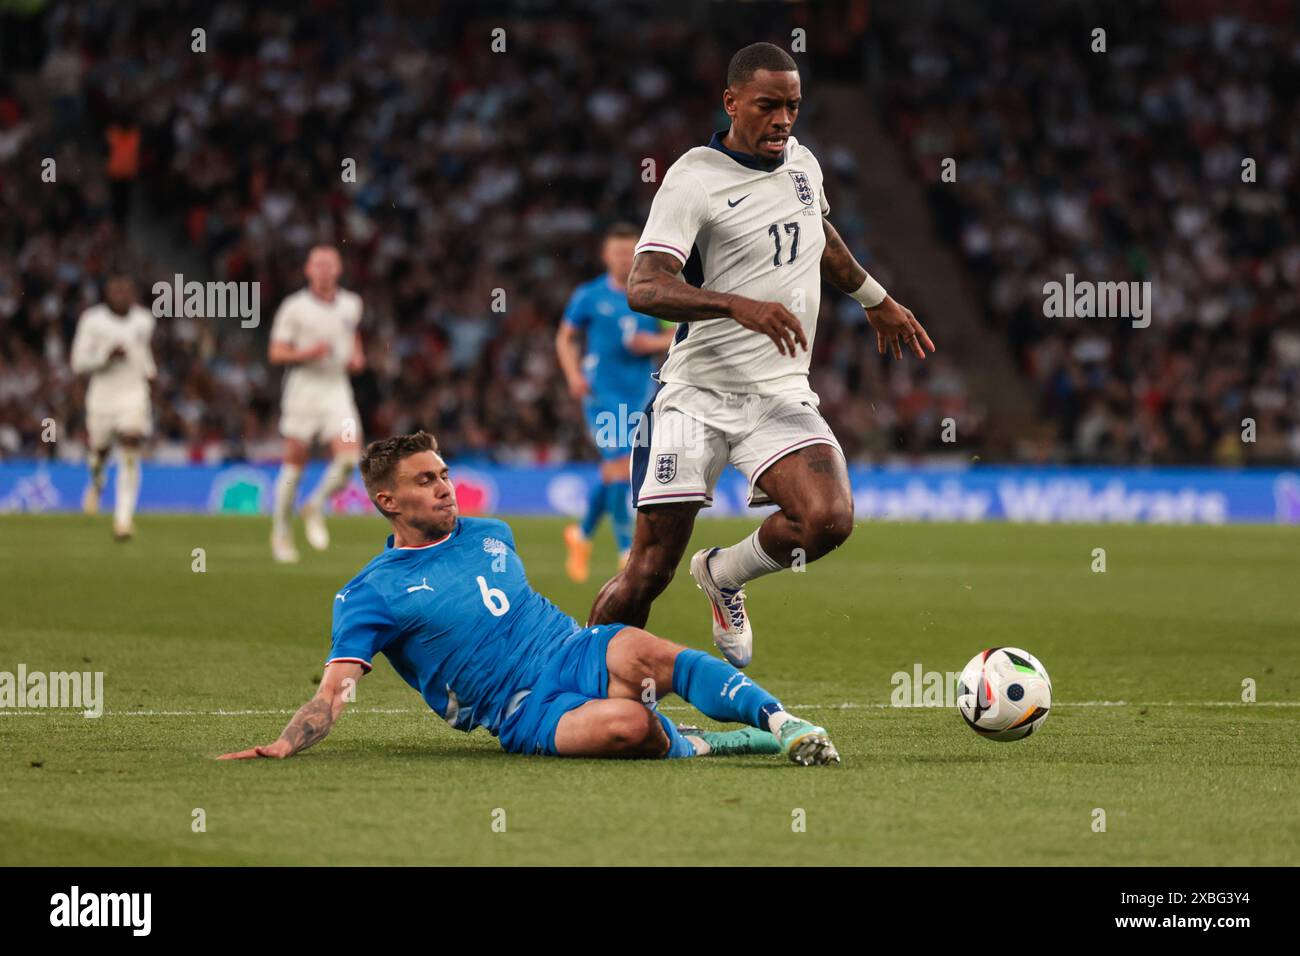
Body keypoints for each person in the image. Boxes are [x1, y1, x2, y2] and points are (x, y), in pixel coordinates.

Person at [587, 42, 935, 668]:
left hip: (778, 392)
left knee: (827, 519)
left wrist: (875, 297)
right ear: (731, 103)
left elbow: (820, 235)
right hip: (695, 396)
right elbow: (644, 284)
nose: (783, 121)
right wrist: (735, 305)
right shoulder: (693, 177)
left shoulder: (803, 164)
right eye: (768, 106)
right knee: (648, 571)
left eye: (793, 107)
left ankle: (724, 576)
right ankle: (577, 686)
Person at [218, 431, 840, 766]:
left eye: (443, 475)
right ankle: (705, 743)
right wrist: (286, 742)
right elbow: (336, 691)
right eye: (425, 481)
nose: (445, 489)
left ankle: (781, 722)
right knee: (630, 727)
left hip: (573, 649)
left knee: (650, 654)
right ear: (387, 501)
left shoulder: (492, 532)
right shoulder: (370, 593)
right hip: (521, 711)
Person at [555, 222, 674, 581]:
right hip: (601, 393)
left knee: (615, 471)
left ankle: (582, 533)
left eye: (629, 252)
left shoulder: (653, 294)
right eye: (617, 252)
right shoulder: (588, 296)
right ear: (606, 255)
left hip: (640, 393)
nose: (624, 259)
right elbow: (565, 337)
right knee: (621, 466)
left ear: (639, 253)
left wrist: (650, 344)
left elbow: (677, 335)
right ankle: (627, 551)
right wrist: (573, 375)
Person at [267, 245, 365, 563]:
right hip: (303, 389)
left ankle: (314, 504)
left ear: (338, 270)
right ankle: (281, 532)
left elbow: (352, 335)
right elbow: (276, 353)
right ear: (308, 270)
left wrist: (357, 356)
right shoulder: (294, 307)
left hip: (337, 388)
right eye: (318, 264)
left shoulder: (351, 304)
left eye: (330, 264)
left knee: (350, 457)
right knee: (295, 462)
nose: (324, 269)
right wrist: (307, 354)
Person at [70, 273, 155, 541]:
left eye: (126, 290)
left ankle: (123, 520)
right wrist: (105, 358)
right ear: (107, 293)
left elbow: (143, 350)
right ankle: (97, 483)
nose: (122, 295)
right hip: (102, 398)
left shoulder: (144, 320)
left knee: (131, 445)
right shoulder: (92, 321)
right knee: (100, 452)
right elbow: (77, 362)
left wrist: (151, 370)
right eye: (116, 290)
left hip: (133, 394)